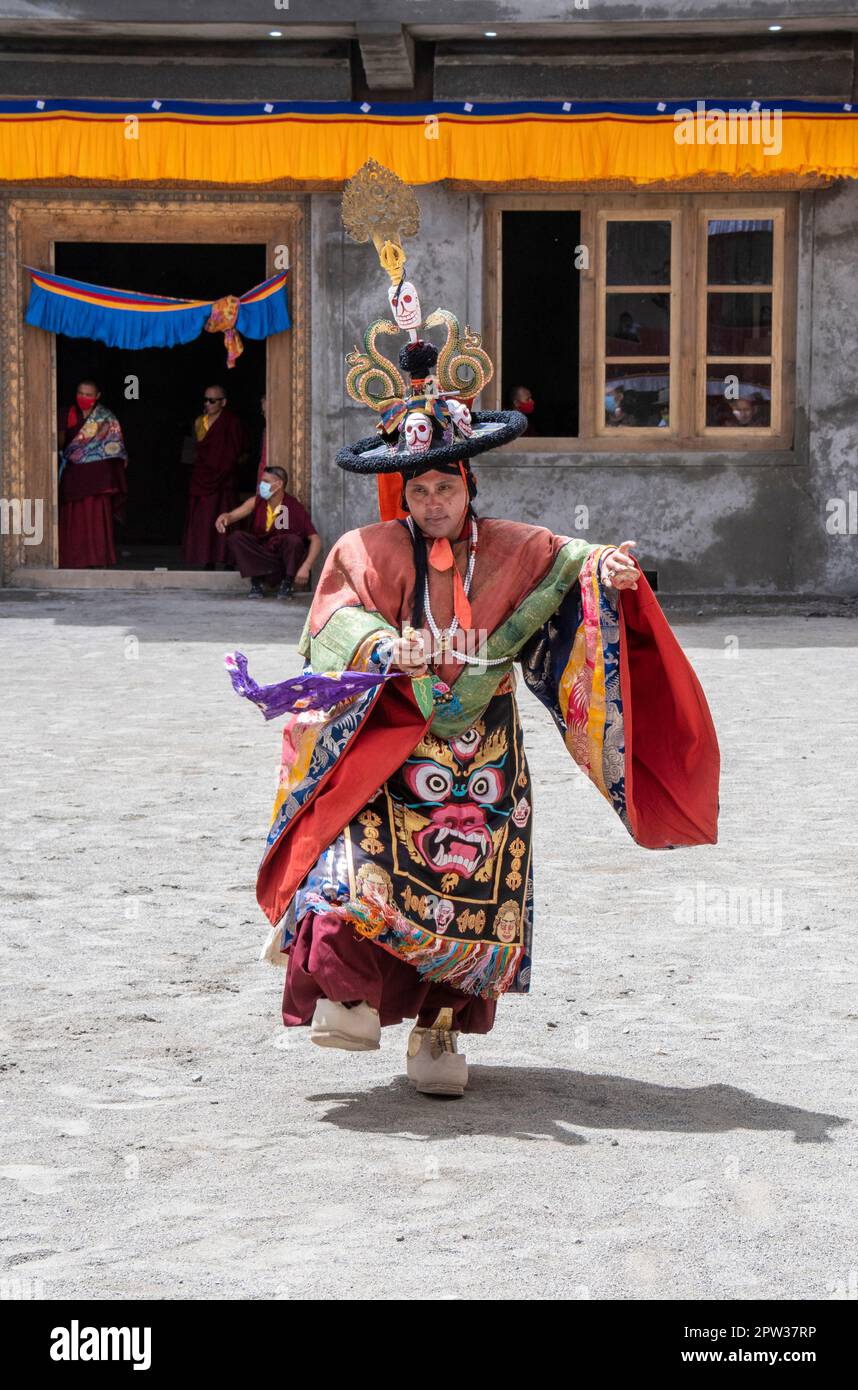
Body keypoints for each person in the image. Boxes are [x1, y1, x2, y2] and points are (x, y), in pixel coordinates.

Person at [229, 160, 720, 1099]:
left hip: (485, 747)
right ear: (403, 493)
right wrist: (387, 646)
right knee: (361, 867)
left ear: (471, 485)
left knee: (475, 892)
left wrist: (611, 574)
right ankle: (353, 998)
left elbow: (575, 568)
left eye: (448, 485)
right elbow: (331, 627)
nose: (435, 499)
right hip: (397, 741)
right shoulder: (369, 548)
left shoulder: (516, 547)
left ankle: (442, 1036)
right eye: (419, 488)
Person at [218, 465, 321, 598]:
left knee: (293, 541)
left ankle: (287, 583)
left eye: (266, 482)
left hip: (281, 560)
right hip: (260, 554)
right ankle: (257, 581)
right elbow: (234, 515)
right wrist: (225, 517)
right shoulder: (257, 501)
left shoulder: (293, 506)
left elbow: (315, 540)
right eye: (261, 482)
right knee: (236, 537)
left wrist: (306, 566)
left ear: (278, 484)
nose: (261, 485)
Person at [58, 380, 127, 568]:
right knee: (74, 519)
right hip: (75, 474)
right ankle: (73, 559)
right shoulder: (68, 414)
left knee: (96, 520)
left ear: (97, 396)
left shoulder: (106, 417)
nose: (84, 398)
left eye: (88, 395)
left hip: (98, 477)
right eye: (80, 393)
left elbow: (117, 448)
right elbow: (59, 442)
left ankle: (98, 559)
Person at [182, 384, 245, 568]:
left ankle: (228, 561)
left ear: (223, 402)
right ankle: (206, 560)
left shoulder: (231, 422)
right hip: (202, 478)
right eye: (206, 400)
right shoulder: (199, 422)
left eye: (212, 400)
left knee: (227, 519)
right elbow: (195, 450)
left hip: (224, 480)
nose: (208, 404)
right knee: (203, 521)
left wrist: (227, 468)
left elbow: (238, 451)